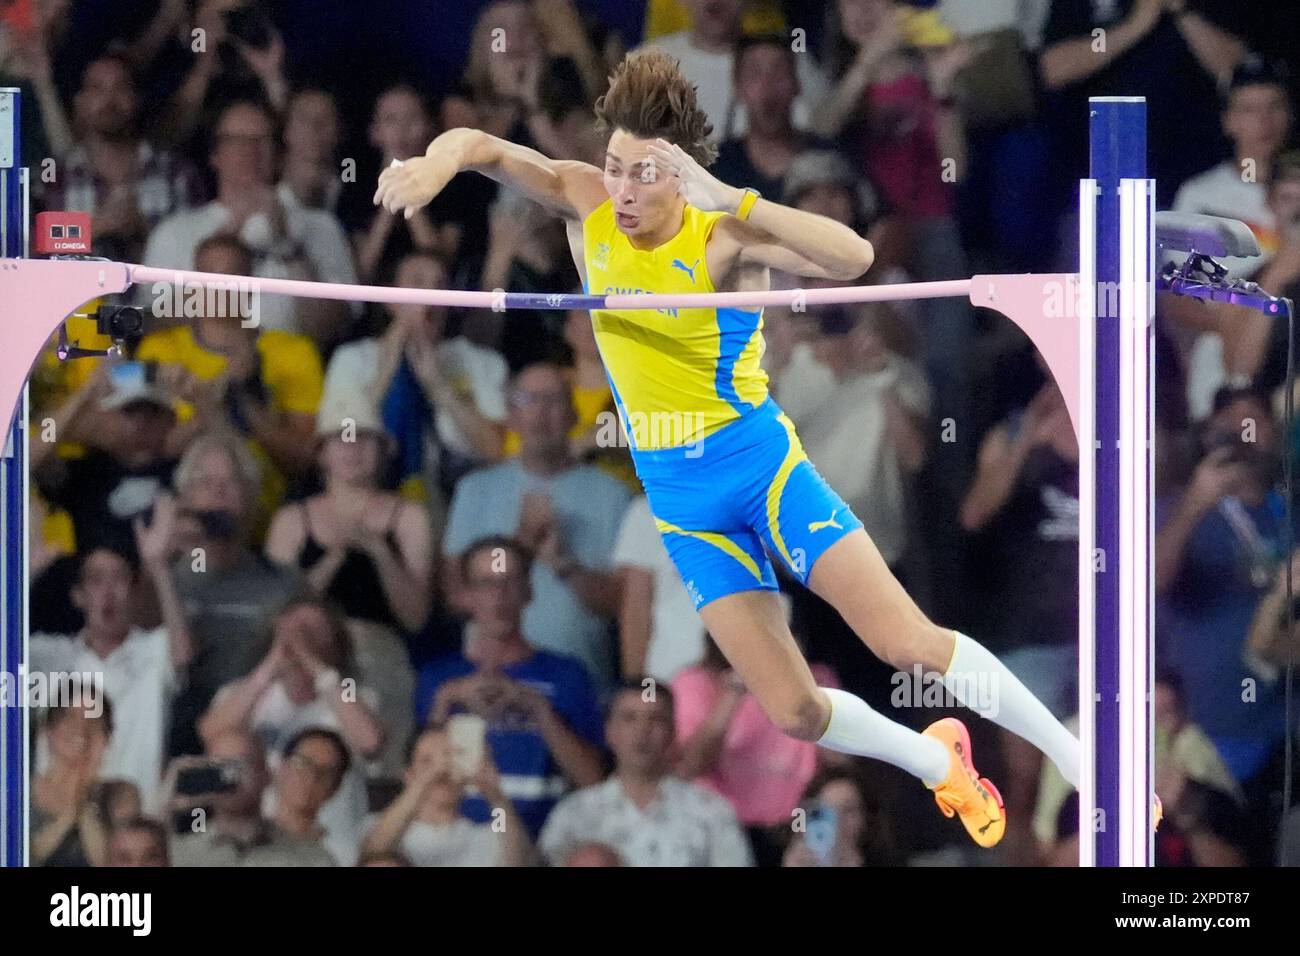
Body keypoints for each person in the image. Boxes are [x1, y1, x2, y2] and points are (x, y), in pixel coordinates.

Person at [374, 48, 1089, 848]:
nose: (623, 188)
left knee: (907, 644)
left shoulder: (724, 238)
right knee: (793, 710)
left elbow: (853, 258)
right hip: (682, 504)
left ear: (679, 174)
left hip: (762, 475)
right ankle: (935, 762)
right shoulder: (587, 204)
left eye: (644, 173)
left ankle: (1088, 766)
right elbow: (486, 146)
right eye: (615, 166)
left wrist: (732, 197)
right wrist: (434, 165)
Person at [440, 363, 629, 691]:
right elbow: (454, 595)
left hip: (579, 682)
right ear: (511, 417)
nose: (542, 413)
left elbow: (619, 605)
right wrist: (519, 548)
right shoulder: (475, 490)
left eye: (554, 400)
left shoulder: (613, 494)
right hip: (489, 677)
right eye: (529, 400)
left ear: (572, 416)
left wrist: (564, 563)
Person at [415, 537, 605, 835]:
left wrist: (539, 709)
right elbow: (419, 779)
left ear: (528, 591)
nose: (499, 596)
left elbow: (593, 782)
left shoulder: (566, 675)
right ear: (466, 596)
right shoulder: (439, 677)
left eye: (509, 582)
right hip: (455, 840)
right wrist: (446, 698)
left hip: (543, 840)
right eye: (485, 584)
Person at [264, 394, 433, 636]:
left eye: (363, 437)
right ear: (322, 454)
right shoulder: (291, 520)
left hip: (380, 649)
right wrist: (336, 556)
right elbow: (277, 615)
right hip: (309, 646)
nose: (352, 446)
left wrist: (380, 552)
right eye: (342, 437)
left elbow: (415, 618)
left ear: (381, 451)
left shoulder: (410, 516)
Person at [539, 681, 753, 866]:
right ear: (610, 731)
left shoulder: (712, 813)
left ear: (672, 733)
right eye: (629, 718)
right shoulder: (574, 814)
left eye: (656, 719)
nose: (642, 731)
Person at [360, 726, 535, 867]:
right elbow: (372, 854)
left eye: (451, 760)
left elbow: (522, 862)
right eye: (427, 761)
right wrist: (424, 782)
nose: (442, 771)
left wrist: (496, 797)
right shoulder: (375, 824)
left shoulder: (487, 834)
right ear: (409, 775)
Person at [166, 729, 337, 867]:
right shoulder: (176, 855)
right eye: (219, 766)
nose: (230, 776)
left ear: (267, 775)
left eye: (241, 765)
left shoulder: (311, 860)